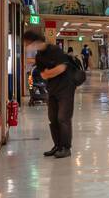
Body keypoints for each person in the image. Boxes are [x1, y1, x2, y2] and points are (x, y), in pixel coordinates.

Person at [24, 27, 78, 158]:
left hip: (66, 89)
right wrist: (47, 74)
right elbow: (43, 74)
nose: (26, 46)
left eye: (27, 43)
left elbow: (62, 67)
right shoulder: (39, 55)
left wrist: (48, 73)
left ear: (34, 41)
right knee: (53, 118)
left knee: (62, 118)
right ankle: (57, 145)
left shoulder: (54, 50)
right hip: (52, 89)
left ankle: (66, 147)